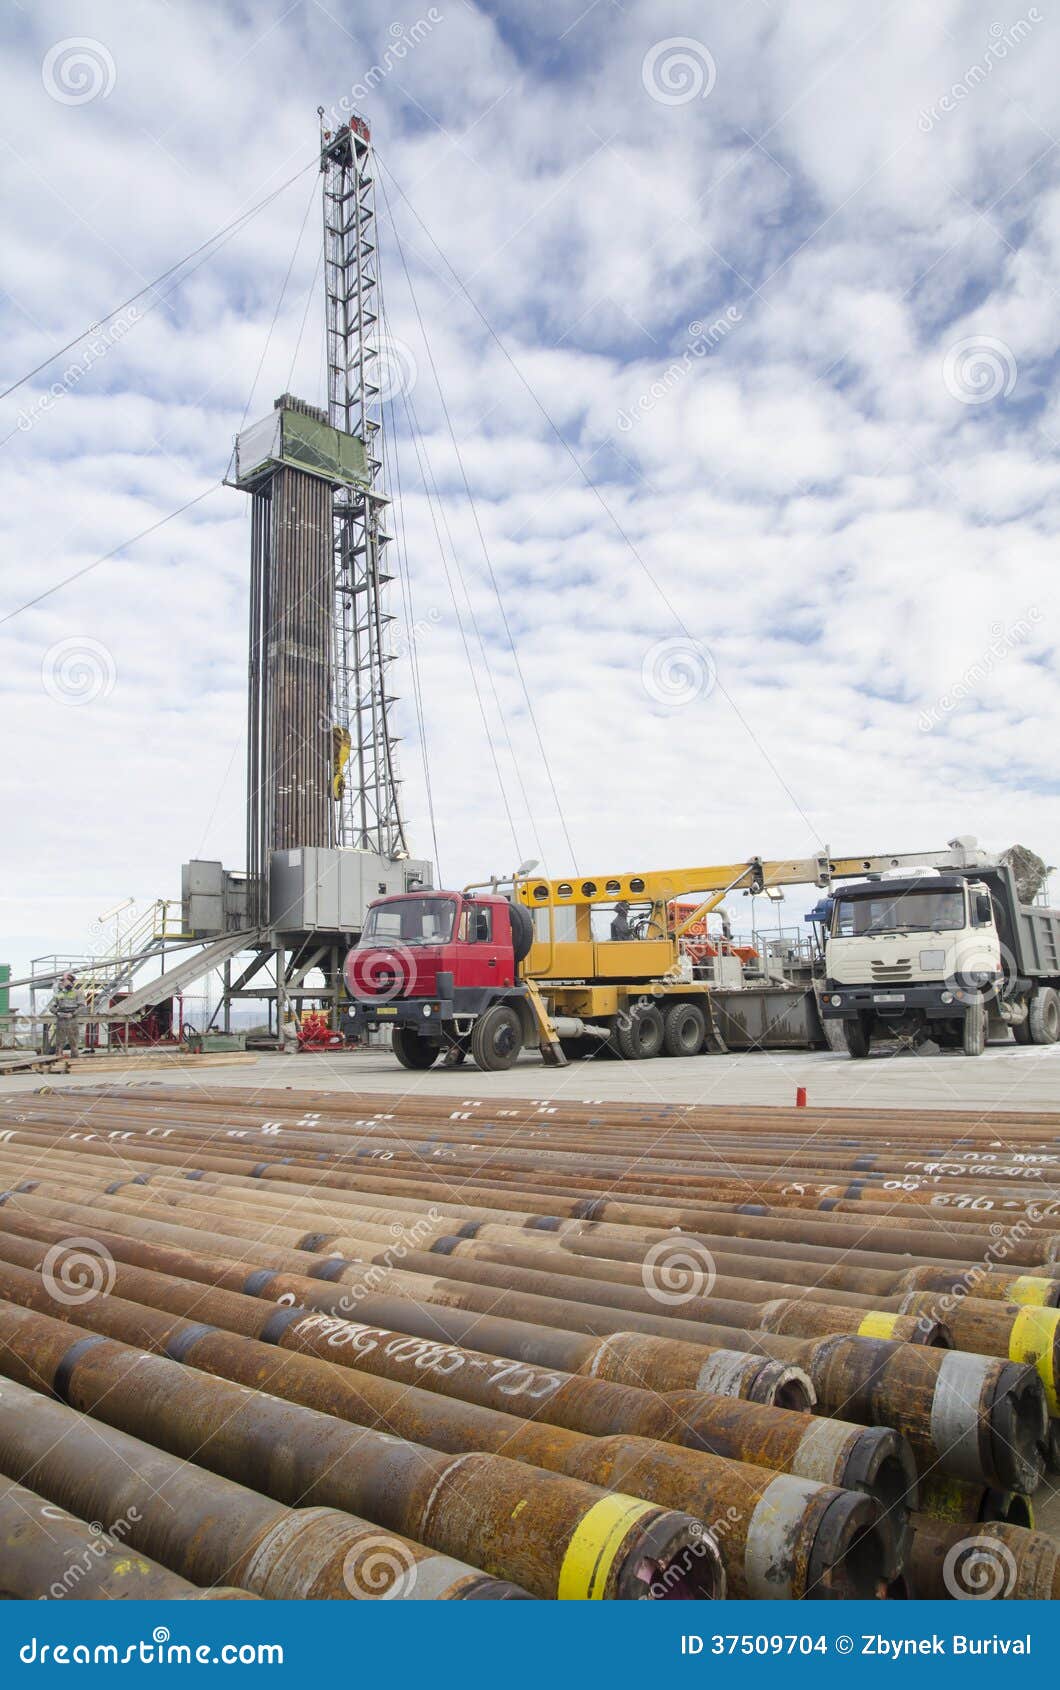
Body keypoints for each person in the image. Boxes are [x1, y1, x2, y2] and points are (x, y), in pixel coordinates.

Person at [50, 973, 83, 1055]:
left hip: (72, 1020)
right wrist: (58, 1013)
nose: (61, 982)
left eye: (63, 980)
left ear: (70, 982)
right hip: (61, 1020)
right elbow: (51, 1007)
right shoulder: (60, 994)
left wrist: (72, 1014)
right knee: (59, 1044)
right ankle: (58, 1061)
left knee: (74, 1043)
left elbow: (82, 1006)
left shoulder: (77, 993)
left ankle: (75, 1063)